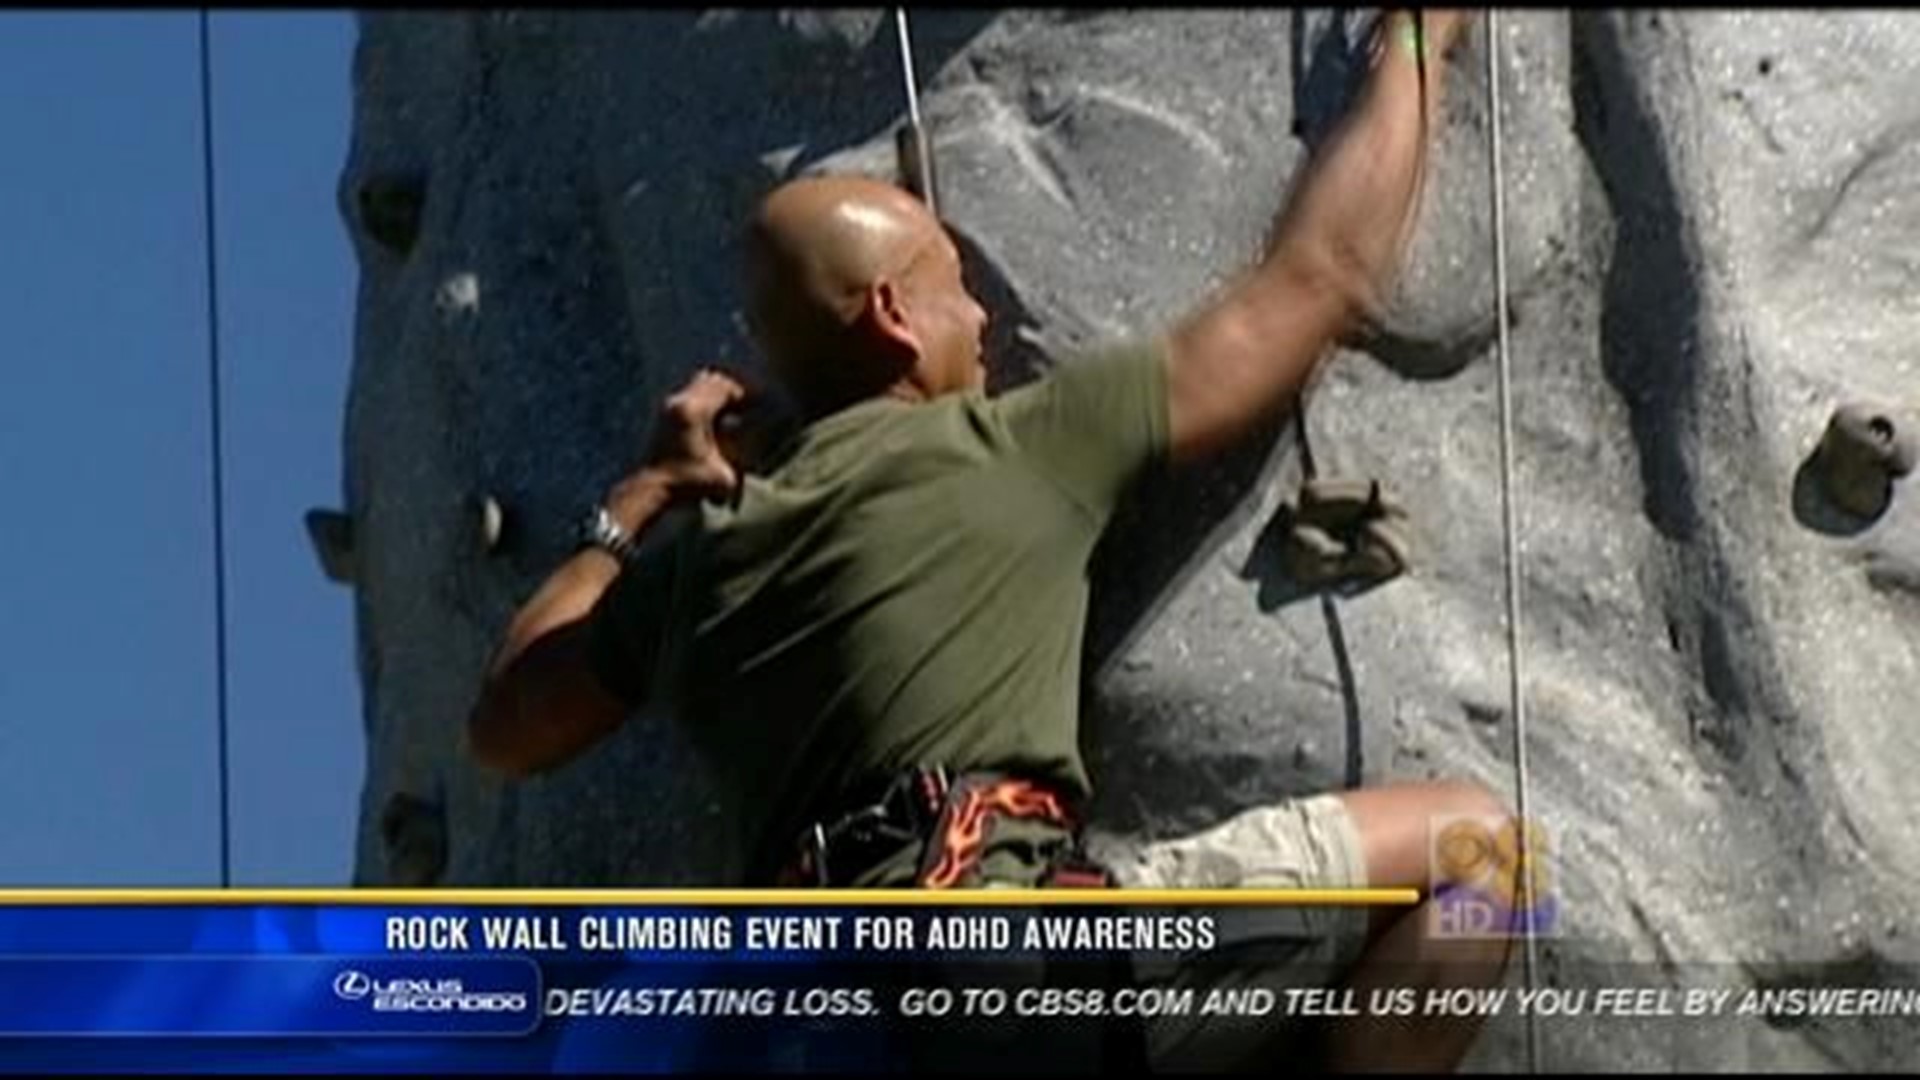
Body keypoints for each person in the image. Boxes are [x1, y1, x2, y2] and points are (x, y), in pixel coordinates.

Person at [470, 9, 1518, 1070]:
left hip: (804, 1017)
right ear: (892, 316)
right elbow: (1319, 277)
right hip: (1002, 973)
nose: (981, 320)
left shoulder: (704, 565)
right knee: (1479, 854)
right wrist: (1415, 53)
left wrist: (641, 497)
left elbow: (508, 724)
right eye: (955, 287)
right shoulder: (1014, 448)